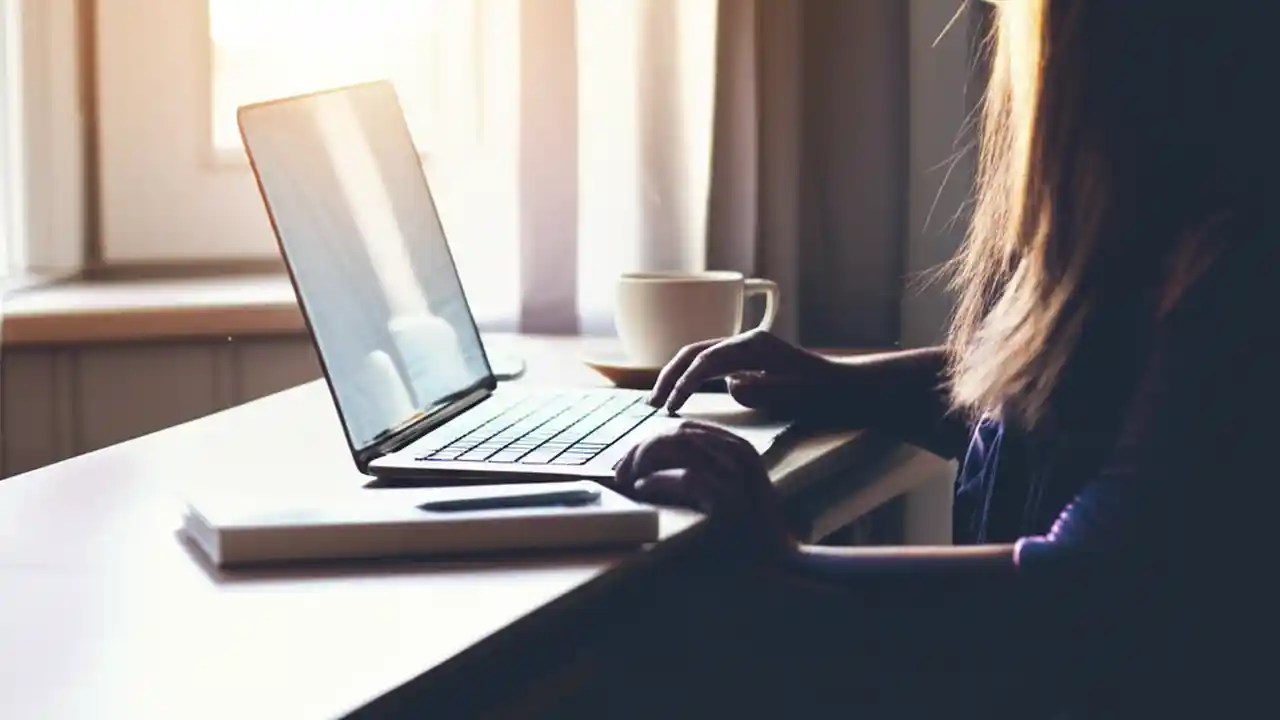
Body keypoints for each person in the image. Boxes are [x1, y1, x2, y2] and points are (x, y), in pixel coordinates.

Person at [606, 1, 1278, 716]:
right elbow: (1070, 405)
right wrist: (839, 385)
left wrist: (782, 562)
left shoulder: (1242, 267)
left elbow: (1091, 588)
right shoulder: (1168, 201)